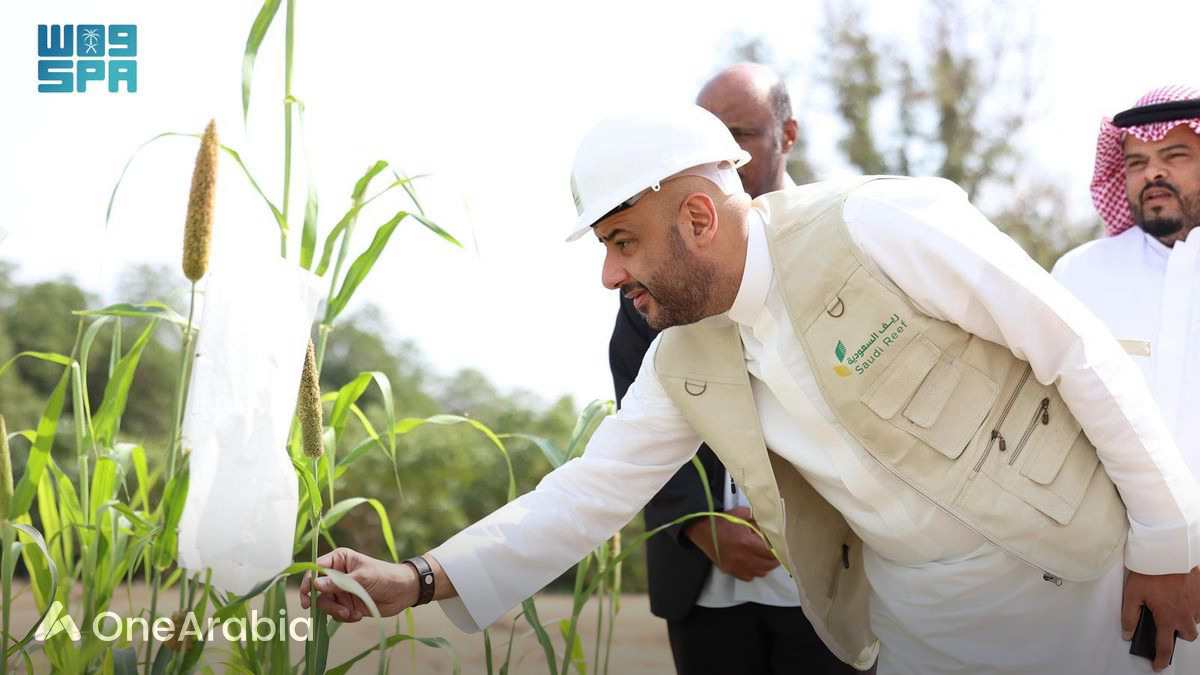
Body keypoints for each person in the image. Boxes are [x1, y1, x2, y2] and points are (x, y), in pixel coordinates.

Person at [302, 104, 1200, 674]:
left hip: (1081, 588)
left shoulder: (874, 224)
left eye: (622, 241)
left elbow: (1076, 349)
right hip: (922, 627)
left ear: (698, 216)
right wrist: (417, 579)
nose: (610, 277)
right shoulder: (680, 358)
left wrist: (1164, 543)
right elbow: (584, 493)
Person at [609, 63, 851, 675]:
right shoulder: (655, 276)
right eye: (705, 139)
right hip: (703, 584)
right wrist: (697, 524)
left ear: (786, 134)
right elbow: (635, 422)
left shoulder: (836, 244)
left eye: (739, 134)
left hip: (836, 576)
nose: (724, 155)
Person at [1052, 84, 1200, 673]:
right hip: (1108, 575)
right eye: (1136, 162)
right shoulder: (1081, 275)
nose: (1152, 174)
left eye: (1176, 155)